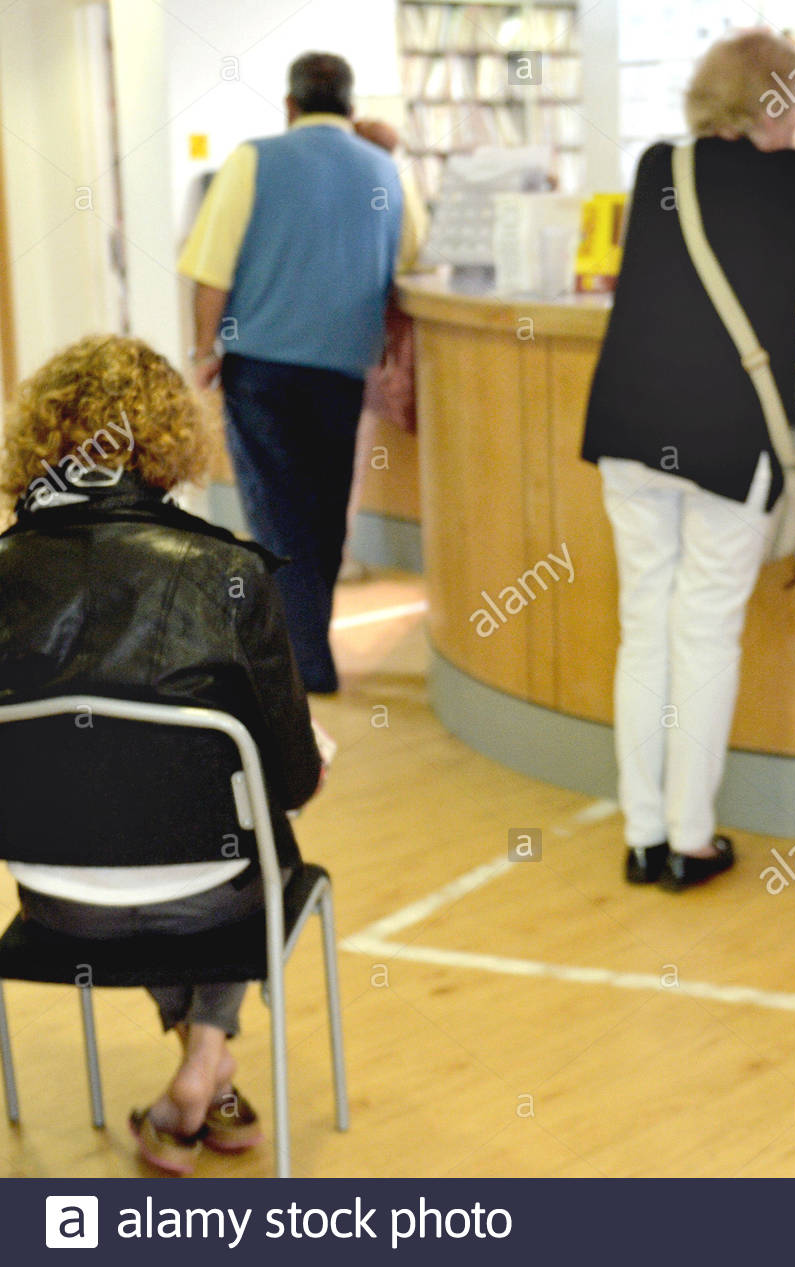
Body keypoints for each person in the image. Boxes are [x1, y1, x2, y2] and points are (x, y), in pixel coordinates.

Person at [0, 335, 324, 1174]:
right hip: (209, 902)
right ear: (167, 439)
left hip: (54, 903)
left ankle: (203, 1076)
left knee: (136, 812)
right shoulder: (226, 572)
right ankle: (205, 1066)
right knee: (240, 833)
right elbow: (292, 781)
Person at [581, 29, 795, 892]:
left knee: (646, 625)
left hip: (630, 428)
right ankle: (690, 839)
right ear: (773, 104)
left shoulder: (655, 167)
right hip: (728, 435)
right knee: (703, 627)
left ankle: (641, 835)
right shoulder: (788, 178)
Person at [178, 53, 425, 693]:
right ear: (350, 106)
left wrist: (204, 352)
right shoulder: (387, 171)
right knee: (324, 511)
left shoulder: (252, 160)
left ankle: (305, 661)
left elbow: (211, 269)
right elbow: (412, 263)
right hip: (342, 370)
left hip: (261, 367)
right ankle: (309, 647)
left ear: (289, 107)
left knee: (277, 513)